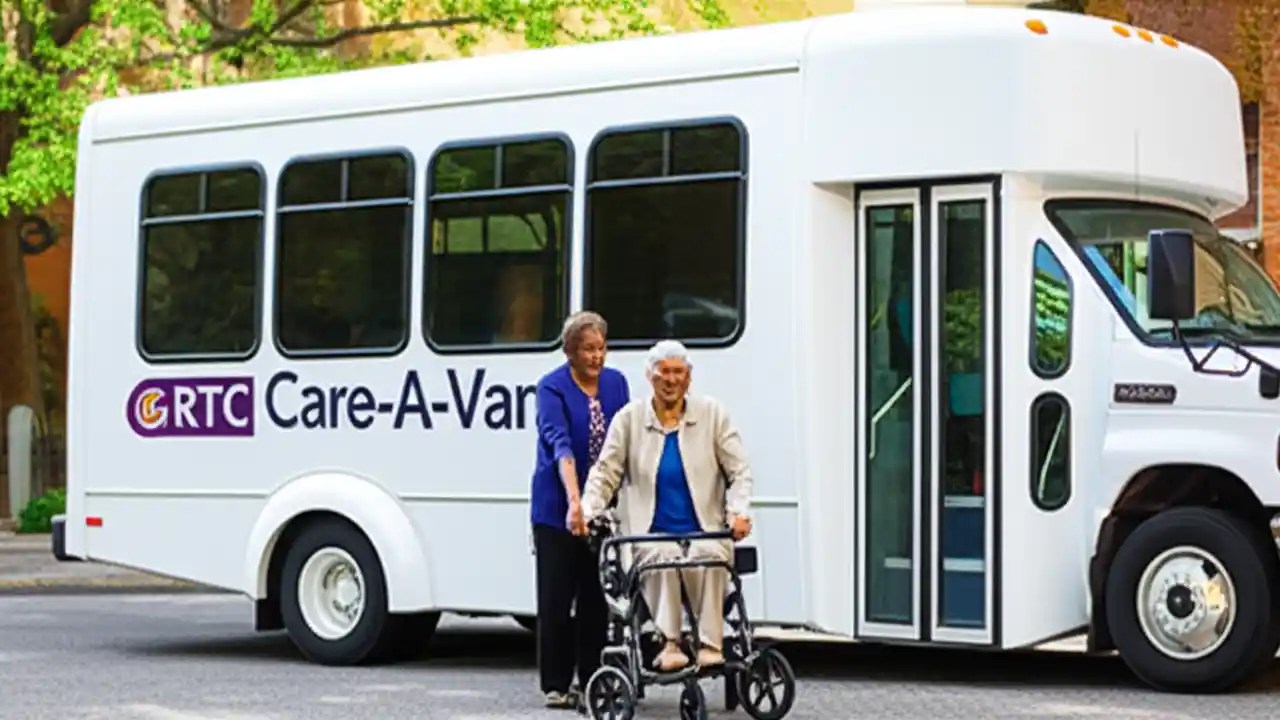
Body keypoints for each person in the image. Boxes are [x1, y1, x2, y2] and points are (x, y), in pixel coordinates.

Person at [578, 339, 753, 673]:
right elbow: (604, 473)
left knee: (712, 557)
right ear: (650, 377)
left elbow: (739, 470)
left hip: (704, 529)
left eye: (678, 373)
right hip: (650, 533)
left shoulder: (712, 414)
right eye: (663, 373)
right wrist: (589, 510)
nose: (671, 380)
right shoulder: (629, 420)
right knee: (659, 558)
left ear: (688, 378)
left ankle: (711, 645)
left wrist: (739, 511)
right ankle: (670, 642)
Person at [530, 311, 631, 709]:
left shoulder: (616, 383)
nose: (597, 356)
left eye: (601, 348)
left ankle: (592, 678)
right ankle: (556, 683)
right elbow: (560, 446)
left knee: (596, 596)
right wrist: (575, 502)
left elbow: (624, 439)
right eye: (588, 349)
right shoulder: (551, 388)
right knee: (557, 596)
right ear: (570, 351)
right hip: (558, 507)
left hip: (602, 504)